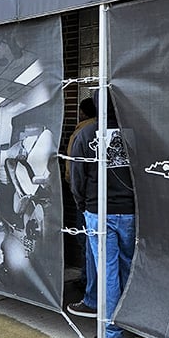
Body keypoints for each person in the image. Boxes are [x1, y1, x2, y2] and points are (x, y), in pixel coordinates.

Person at [70, 90, 135, 338]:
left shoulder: (85, 134)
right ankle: (138, 329)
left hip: (99, 211)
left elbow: (77, 177)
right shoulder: (132, 133)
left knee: (107, 275)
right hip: (131, 211)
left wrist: (82, 205)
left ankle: (113, 337)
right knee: (130, 270)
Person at [65, 97, 98, 319]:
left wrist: (79, 200)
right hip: (117, 203)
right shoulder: (119, 129)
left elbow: (75, 169)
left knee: (87, 243)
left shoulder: (83, 132)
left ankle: (90, 290)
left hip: (89, 201)